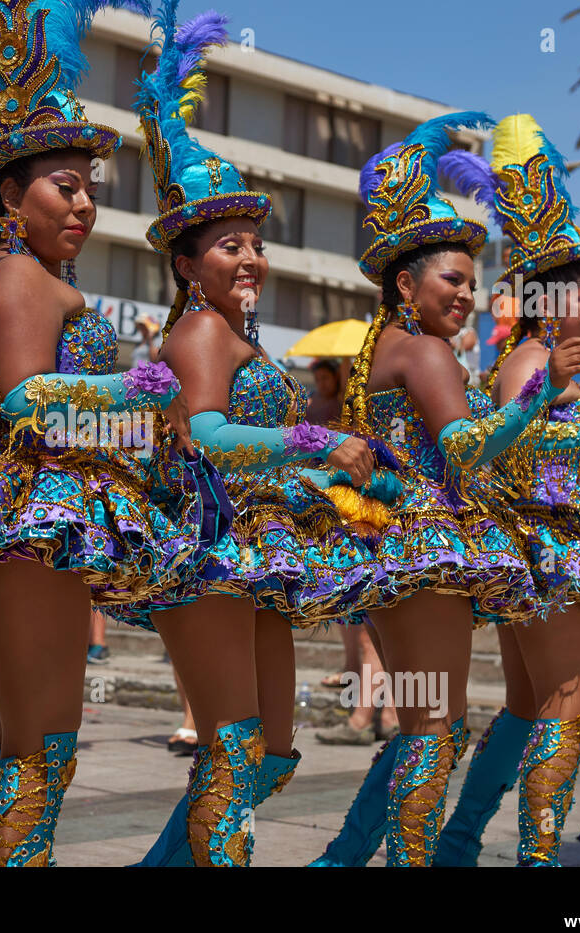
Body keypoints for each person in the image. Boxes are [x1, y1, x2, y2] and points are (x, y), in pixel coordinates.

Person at [0, 0, 227, 868]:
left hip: (32, 519)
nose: (84, 204)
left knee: (33, 739)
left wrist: (137, 413)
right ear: (12, 194)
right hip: (23, 516)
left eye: (90, 188)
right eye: (65, 186)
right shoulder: (21, 278)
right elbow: (27, 400)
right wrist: (133, 388)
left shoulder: (28, 276)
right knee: (39, 746)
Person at [111, 3, 389, 867]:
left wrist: (341, 487)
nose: (250, 260)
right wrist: (314, 447)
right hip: (206, 553)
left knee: (265, 755)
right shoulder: (196, 334)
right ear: (188, 263)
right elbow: (205, 436)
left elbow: (254, 451)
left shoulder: (241, 338)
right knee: (236, 752)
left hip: (255, 550)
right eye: (229, 245)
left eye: (255, 244)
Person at [311, 111, 580, 867]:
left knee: (424, 729)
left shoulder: (391, 346)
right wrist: (544, 394)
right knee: (435, 733)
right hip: (426, 556)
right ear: (406, 281)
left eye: (473, 283)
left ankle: (345, 858)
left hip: (394, 553)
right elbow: (468, 447)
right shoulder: (429, 354)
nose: (469, 295)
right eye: (454, 279)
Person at [432, 114, 580, 866]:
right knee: (571, 709)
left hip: (540, 561)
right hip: (551, 563)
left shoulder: (548, 365)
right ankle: (535, 857)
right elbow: (506, 442)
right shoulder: (531, 362)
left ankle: (461, 840)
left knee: (522, 708)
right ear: (550, 303)